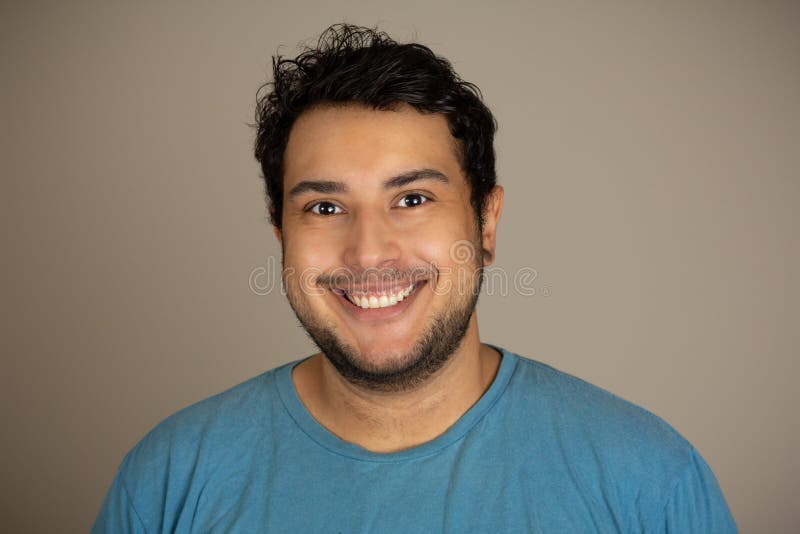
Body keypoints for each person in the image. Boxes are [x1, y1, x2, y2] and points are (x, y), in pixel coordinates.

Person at [93, 24, 737, 532]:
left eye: (412, 199)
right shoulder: (169, 480)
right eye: (324, 207)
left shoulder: (648, 480)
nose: (369, 252)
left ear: (486, 222)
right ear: (281, 237)